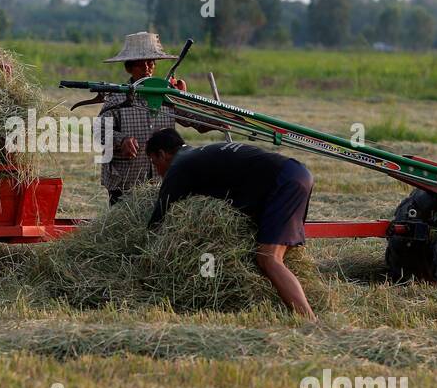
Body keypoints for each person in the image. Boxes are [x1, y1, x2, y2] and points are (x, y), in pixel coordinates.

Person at [145, 129, 317, 320]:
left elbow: (160, 214)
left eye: (155, 163)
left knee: (268, 259)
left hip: (284, 181)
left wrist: (144, 250)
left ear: (162, 154)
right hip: (295, 172)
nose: (158, 172)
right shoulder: (199, 154)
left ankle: (308, 319)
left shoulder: (179, 165)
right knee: (274, 252)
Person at [98, 31, 209, 205]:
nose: (147, 69)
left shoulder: (167, 95)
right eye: (141, 65)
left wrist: (216, 120)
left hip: (160, 182)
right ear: (129, 68)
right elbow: (100, 131)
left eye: (151, 63)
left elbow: (193, 120)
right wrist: (122, 141)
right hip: (126, 182)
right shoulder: (117, 97)